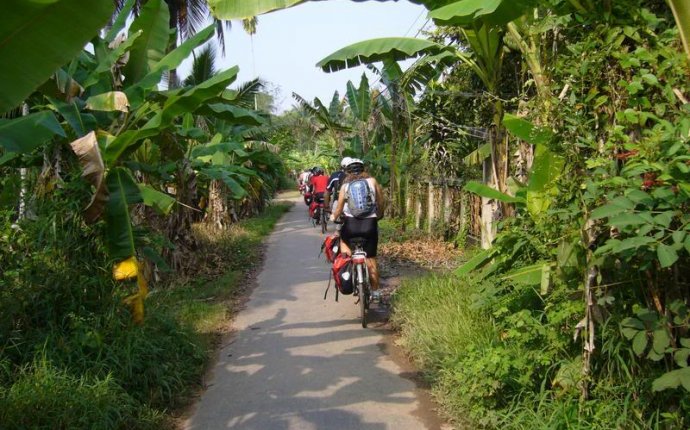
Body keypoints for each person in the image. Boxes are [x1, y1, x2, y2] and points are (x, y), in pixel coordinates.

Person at [329, 158, 385, 293]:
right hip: (369, 225)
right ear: (364, 170)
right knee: (371, 259)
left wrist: (333, 217)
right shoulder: (372, 182)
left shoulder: (345, 186)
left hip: (351, 226)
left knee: (344, 241)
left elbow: (339, 209)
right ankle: (376, 291)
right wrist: (379, 214)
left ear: (348, 172)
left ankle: (350, 268)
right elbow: (381, 201)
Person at [325, 157, 349, 234]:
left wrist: (326, 206)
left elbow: (327, 192)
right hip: (354, 206)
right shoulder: (359, 176)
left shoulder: (335, 175)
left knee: (338, 230)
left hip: (338, 203)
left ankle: (337, 238)